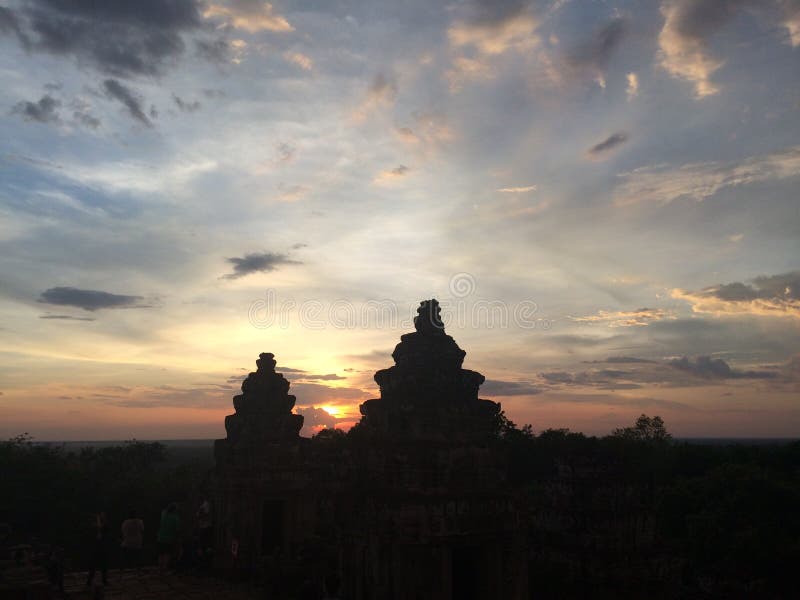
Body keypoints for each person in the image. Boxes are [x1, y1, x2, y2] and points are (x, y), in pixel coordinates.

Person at [86, 512, 110, 587]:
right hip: (96, 547)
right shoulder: (93, 525)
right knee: (93, 565)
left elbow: (104, 528)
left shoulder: (104, 525)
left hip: (102, 547)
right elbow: (96, 529)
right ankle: (90, 581)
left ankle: (104, 580)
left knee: (103, 564)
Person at [157, 502, 180, 575]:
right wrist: (177, 539)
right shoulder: (175, 517)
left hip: (160, 537)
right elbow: (177, 530)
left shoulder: (163, 514)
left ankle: (160, 569)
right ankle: (165, 569)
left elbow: (164, 510)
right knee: (167, 554)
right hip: (169, 538)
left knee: (161, 553)